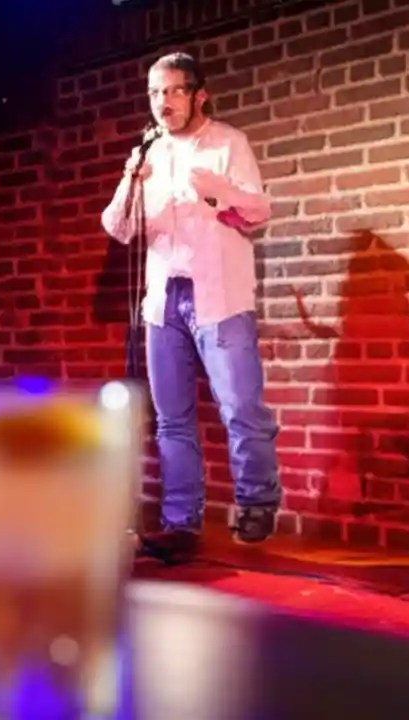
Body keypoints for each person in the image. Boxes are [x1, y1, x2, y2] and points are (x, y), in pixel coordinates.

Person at [100, 52, 281, 564]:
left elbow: (259, 211)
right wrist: (131, 177)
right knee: (171, 420)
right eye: (156, 93)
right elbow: (119, 227)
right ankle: (181, 523)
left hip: (218, 294)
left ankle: (257, 501)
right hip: (163, 302)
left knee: (241, 406)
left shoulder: (229, 143)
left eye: (175, 91)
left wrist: (217, 191)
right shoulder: (149, 154)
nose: (164, 103)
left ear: (198, 94)